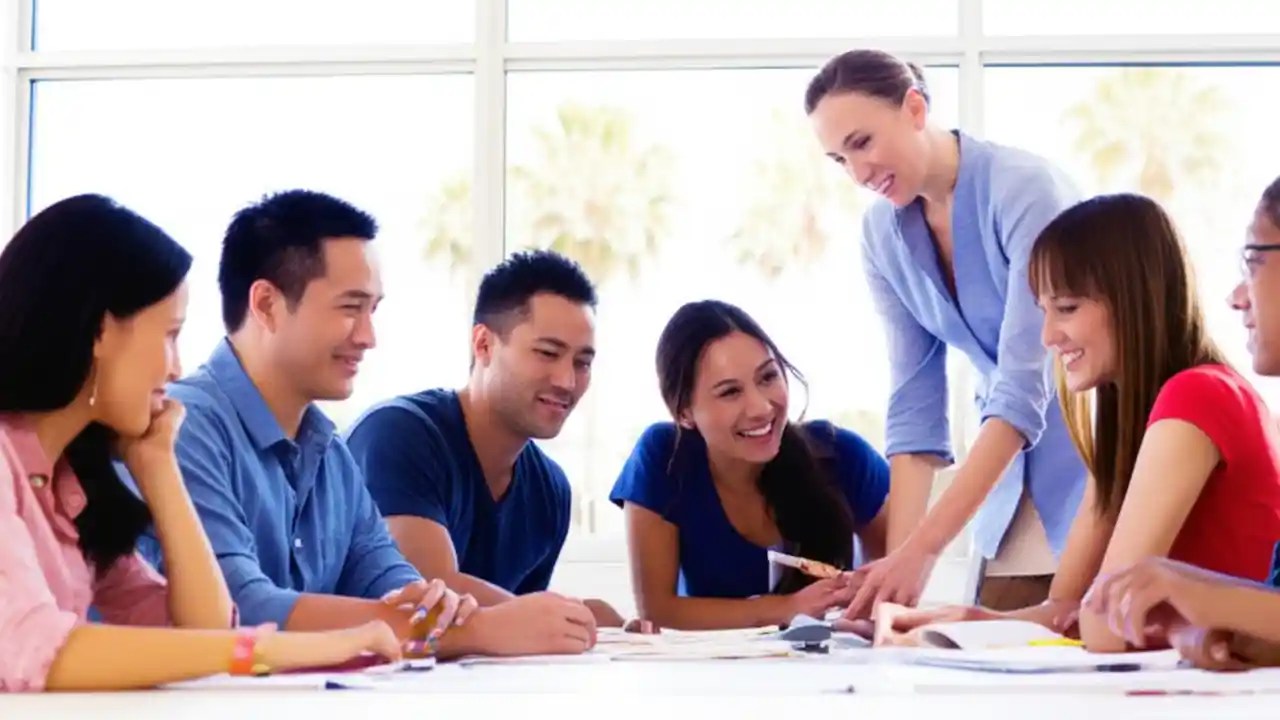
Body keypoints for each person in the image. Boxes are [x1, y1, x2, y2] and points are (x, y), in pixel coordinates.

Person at [140, 189, 597, 659]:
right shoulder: (185, 426)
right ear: (266, 305)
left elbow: (397, 588)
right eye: (349, 308)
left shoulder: (329, 453)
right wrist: (475, 631)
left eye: (372, 310)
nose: (368, 336)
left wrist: (445, 613)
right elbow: (240, 608)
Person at [1, 195, 407, 692]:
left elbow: (200, 633)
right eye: (170, 335)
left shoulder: (72, 481)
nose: (175, 368)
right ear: (100, 331)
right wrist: (290, 647)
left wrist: (158, 467)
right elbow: (37, 649)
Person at [889, 193, 1280, 652]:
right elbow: (1066, 605)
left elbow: (1106, 625)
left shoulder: (1198, 395)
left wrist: (1089, 613)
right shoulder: (1133, 422)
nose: (1049, 336)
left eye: (1068, 308)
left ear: (1133, 300)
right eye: (1044, 311)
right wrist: (963, 622)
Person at [805, 49, 1088, 615]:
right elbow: (915, 409)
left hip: (1093, 462)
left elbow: (1022, 384)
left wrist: (923, 552)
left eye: (862, 143)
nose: (858, 174)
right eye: (839, 159)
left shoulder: (1024, 190)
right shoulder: (882, 235)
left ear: (914, 108)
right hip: (1003, 488)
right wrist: (897, 578)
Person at [347, 249, 623, 626]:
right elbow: (426, 593)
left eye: (582, 362)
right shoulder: (398, 434)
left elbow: (520, 636)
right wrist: (568, 614)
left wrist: (603, 630)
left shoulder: (550, 489)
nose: (567, 381)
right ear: (483, 345)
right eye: (547, 353)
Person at [1085, 176, 1280, 668]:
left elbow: (1101, 621)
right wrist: (1205, 628)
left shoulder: (1199, 393)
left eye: (1253, 262)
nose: (1238, 296)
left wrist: (1198, 597)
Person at [609, 300, 889, 630]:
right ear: (683, 411)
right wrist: (786, 608)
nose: (760, 407)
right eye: (729, 392)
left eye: (768, 376)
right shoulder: (664, 458)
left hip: (832, 670)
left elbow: (896, 582)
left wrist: (868, 604)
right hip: (709, 675)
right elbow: (658, 611)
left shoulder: (840, 454)